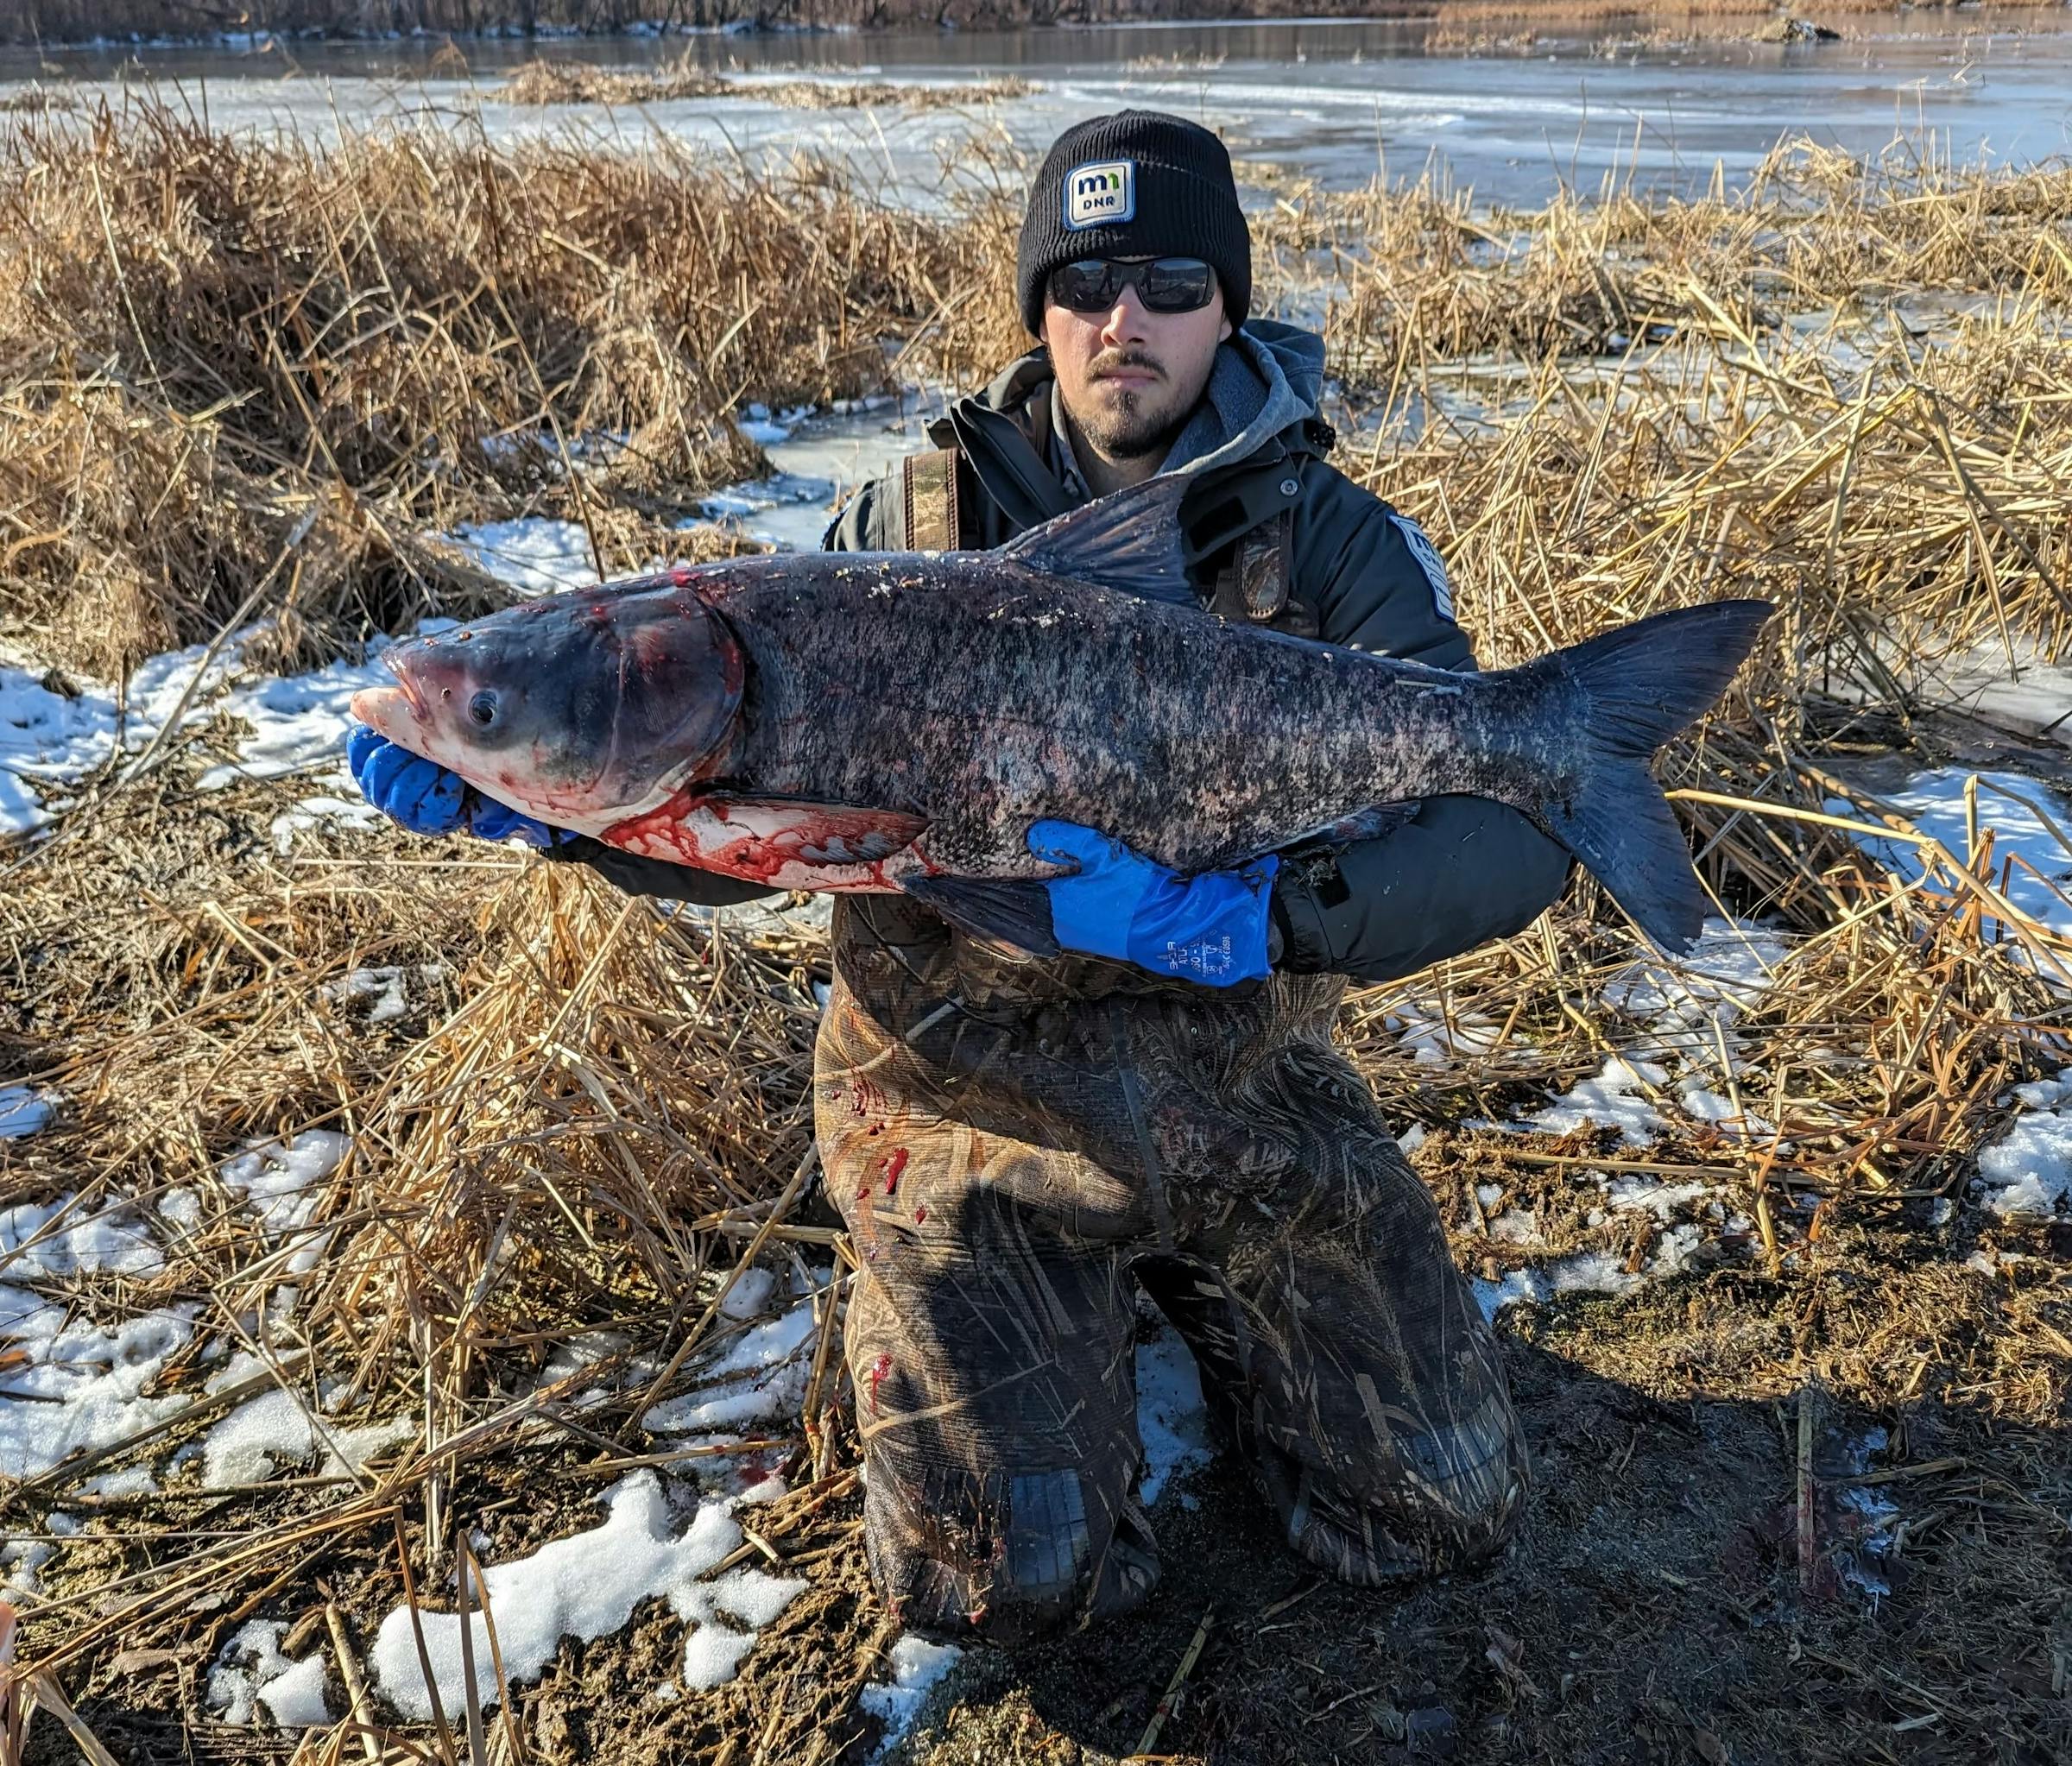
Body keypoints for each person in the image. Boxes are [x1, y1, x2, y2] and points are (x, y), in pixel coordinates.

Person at [350, 110, 1570, 1642]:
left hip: (1245, 1087)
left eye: (1171, 280)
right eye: (1082, 281)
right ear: (1037, 306)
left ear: (1229, 304)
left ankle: (1193, 1296)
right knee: (998, 1581)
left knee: (1436, 1508)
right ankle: (986, 1301)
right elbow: (767, 842)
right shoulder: (888, 539)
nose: (1120, 320)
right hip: (958, 1102)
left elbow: (1514, 824)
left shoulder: (1326, 544)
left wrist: (1267, 912)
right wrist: (569, 814)